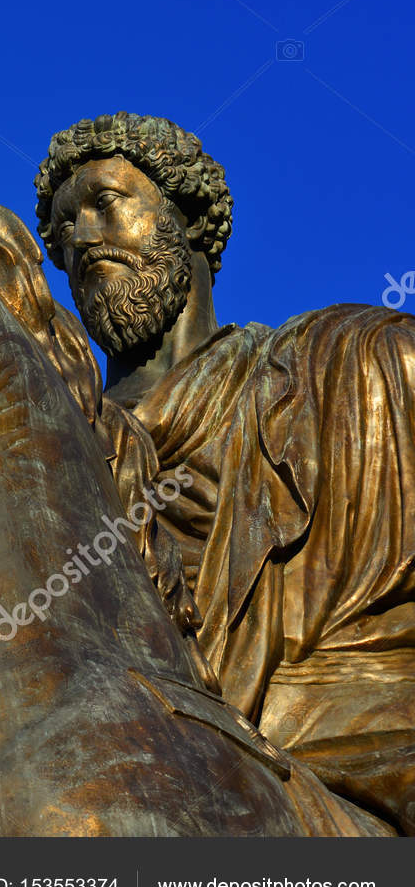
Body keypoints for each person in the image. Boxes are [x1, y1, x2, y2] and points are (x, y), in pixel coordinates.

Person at [36, 112, 415, 832]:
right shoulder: (55, 436)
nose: (81, 237)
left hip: (327, 717)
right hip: (109, 741)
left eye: (105, 203)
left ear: (188, 219)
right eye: (64, 229)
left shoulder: (326, 369)